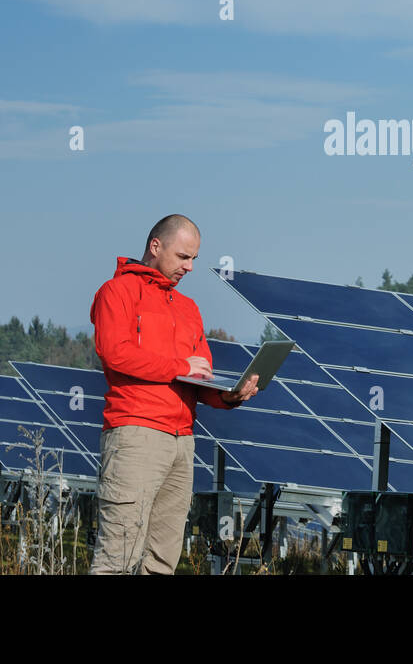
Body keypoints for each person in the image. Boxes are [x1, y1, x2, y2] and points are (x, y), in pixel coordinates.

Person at [88, 214, 258, 574]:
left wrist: (229, 396)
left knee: (162, 561)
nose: (190, 267)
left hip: (182, 442)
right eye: (183, 256)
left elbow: (200, 379)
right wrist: (180, 365)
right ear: (156, 246)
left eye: (194, 258)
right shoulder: (116, 292)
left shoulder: (188, 308)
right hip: (136, 435)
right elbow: (115, 353)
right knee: (118, 556)